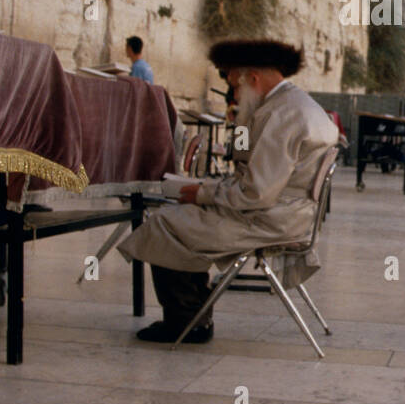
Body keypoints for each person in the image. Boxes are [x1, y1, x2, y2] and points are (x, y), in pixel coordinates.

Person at [116, 39, 339, 343]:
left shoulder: (281, 116)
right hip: (284, 215)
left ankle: (186, 321)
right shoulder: (294, 105)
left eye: (235, 86)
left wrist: (201, 193)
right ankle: (194, 315)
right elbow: (244, 162)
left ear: (253, 79)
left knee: (166, 221)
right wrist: (242, 123)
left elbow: (255, 193)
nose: (233, 95)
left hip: (267, 220)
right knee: (184, 218)